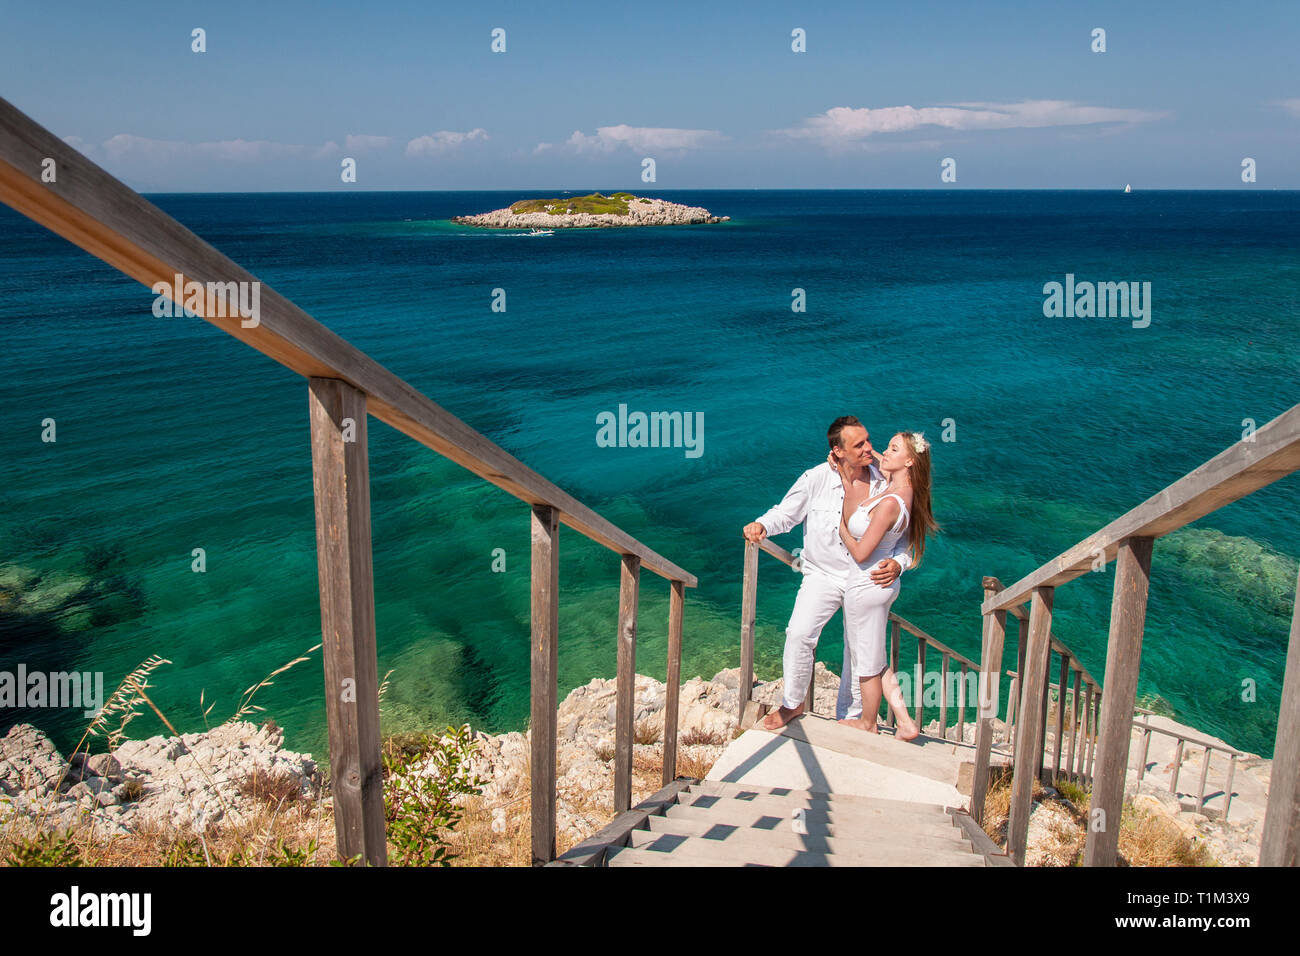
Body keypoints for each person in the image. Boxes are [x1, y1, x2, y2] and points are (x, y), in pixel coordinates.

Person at [742, 417, 911, 732]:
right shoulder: (815, 479)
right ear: (838, 450)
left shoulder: (884, 481)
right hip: (822, 575)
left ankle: (851, 717)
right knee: (799, 633)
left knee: (859, 651)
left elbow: (904, 536)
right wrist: (762, 525)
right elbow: (785, 513)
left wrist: (900, 563)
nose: (870, 449)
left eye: (868, 440)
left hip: (867, 578)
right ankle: (792, 703)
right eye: (859, 445)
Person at [833, 431, 938, 738]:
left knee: (865, 662)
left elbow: (863, 551)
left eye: (893, 449)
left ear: (909, 460)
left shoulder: (891, 502)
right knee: (876, 658)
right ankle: (905, 723)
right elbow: (882, 457)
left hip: (865, 585)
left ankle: (867, 722)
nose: (882, 452)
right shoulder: (906, 492)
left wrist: (842, 531)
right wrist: (852, 457)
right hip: (880, 587)